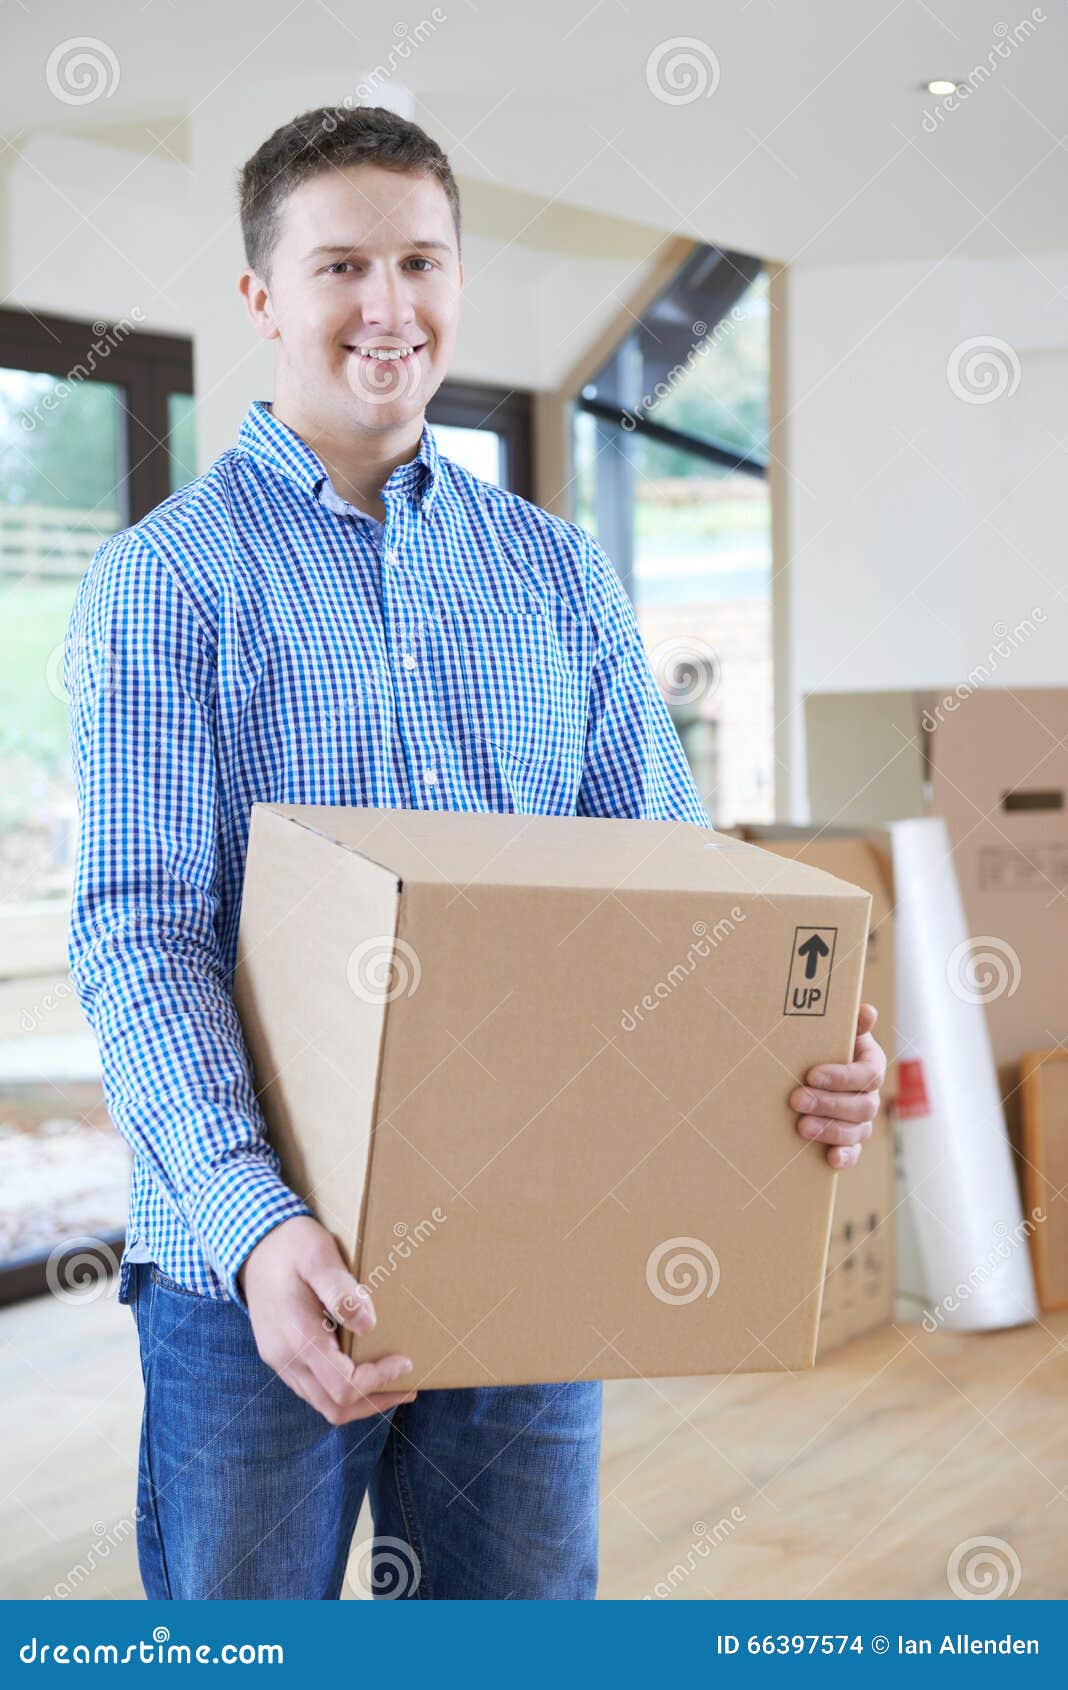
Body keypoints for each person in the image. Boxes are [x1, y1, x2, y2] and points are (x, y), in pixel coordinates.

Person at [64, 104, 886, 1601]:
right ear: (262, 298)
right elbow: (139, 931)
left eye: (422, 260)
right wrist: (260, 1229)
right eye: (342, 267)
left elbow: (668, 891)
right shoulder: (164, 583)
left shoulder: (556, 572)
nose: (389, 306)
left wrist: (782, 1049)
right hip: (250, 1278)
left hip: (525, 1247)